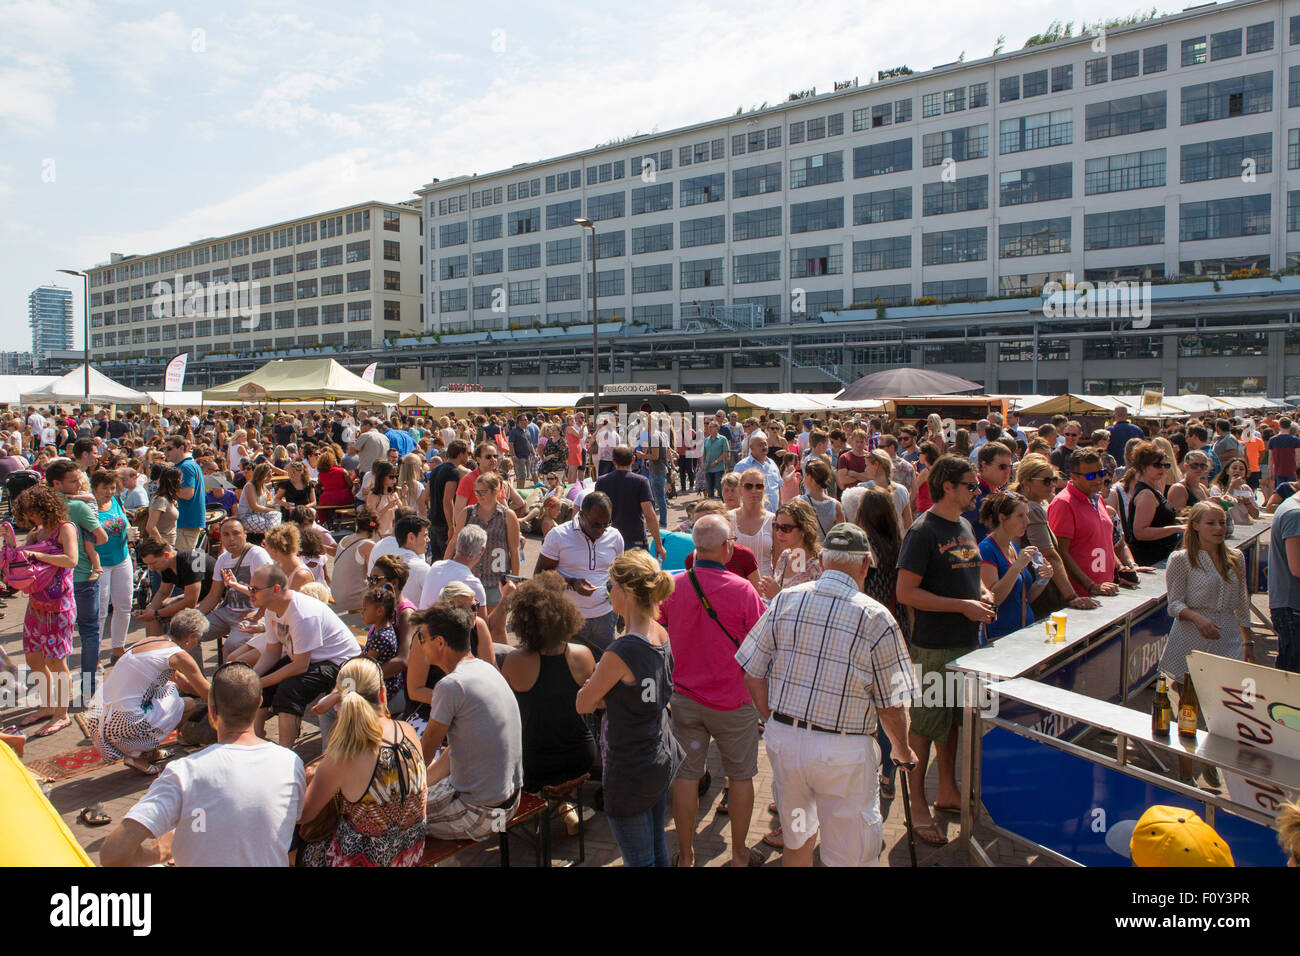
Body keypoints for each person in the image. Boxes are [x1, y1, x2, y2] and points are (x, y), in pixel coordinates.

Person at [738, 522, 919, 866]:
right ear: (866, 564)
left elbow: (752, 670)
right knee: (849, 857)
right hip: (844, 757)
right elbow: (892, 704)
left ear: (820, 560)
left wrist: (773, 721)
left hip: (788, 749)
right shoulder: (877, 617)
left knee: (797, 840)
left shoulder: (786, 600)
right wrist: (902, 749)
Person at [100, 662, 306, 867]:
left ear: (212, 712)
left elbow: (113, 854)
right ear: (259, 702)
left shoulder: (184, 772)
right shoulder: (290, 762)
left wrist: (158, 853)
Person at [896, 455, 996, 847]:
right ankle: (916, 804)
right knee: (923, 728)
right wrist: (962, 606)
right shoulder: (923, 531)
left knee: (953, 723)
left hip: (965, 643)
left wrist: (982, 594)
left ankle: (948, 790)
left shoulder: (966, 525)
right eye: (971, 485)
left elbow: (968, 577)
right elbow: (906, 593)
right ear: (948, 487)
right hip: (934, 647)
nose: (977, 491)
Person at [660, 514, 767, 867]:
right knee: (740, 777)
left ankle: (687, 857)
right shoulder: (743, 590)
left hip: (686, 699)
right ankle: (738, 856)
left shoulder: (674, 586)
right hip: (733, 702)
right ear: (726, 547)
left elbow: (659, 632)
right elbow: (762, 644)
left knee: (688, 777)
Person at [576, 550, 683, 867]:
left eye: (610, 585)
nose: (607, 592)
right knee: (657, 848)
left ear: (625, 591)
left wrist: (597, 688)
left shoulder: (621, 649)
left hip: (629, 766)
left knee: (639, 859)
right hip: (658, 755)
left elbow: (583, 703)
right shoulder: (659, 632)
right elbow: (645, 691)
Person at [298, 656, 427, 867]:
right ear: (383, 694)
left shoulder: (344, 754)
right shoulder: (408, 731)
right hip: (411, 852)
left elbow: (302, 815)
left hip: (366, 860)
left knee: (302, 844)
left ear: (342, 702)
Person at [416, 602, 524, 840]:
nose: (420, 644)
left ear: (440, 642)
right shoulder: (486, 670)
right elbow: (457, 749)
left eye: (421, 637)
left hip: (483, 814)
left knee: (388, 820)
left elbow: (425, 751)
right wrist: (421, 784)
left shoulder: (451, 685)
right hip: (509, 801)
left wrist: (405, 793)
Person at [501, 572, 598, 797]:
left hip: (534, 763)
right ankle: (567, 804)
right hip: (580, 757)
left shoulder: (515, 662)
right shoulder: (583, 655)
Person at [83, 608, 209, 775]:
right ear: (190, 638)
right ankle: (139, 754)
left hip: (98, 714)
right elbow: (206, 692)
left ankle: (145, 750)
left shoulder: (149, 641)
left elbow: (181, 681)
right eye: (197, 639)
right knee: (187, 704)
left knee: (169, 689)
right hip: (122, 722)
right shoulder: (178, 655)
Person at [248, 565, 362, 747]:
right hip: (311, 657)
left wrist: (259, 681)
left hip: (340, 661)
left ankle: (286, 751)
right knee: (261, 680)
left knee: (289, 690)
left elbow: (300, 666)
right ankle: (257, 737)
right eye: (250, 588)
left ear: (276, 589)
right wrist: (252, 678)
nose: (250, 593)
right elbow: (272, 652)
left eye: (255, 589)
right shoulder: (271, 608)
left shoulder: (302, 613)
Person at [6, 486, 78, 738]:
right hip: (36, 604)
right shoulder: (37, 532)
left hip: (58, 606)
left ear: (44, 507)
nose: (30, 518)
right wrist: (10, 543)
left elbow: (71, 560)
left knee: (56, 661)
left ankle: (62, 714)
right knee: (34, 658)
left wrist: (38, 554)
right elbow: (20, 560)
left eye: (32, 512)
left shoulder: (65, 528)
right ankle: (48, 706)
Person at [535, 491, 625, 657]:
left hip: (605, 618)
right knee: (569, 671)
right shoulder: (558, 536)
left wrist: (622, 612)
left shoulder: (615, 536)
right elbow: (540, 575)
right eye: (596, 525)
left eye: (606, 524)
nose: (601, 530)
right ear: (581, 515)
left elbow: (619, 575)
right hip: (568, 620)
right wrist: (571, 582)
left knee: (602, 671)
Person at [46, 459, 107, 699]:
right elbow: (101, 537)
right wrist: (88, 541)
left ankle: (56, 696)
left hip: (52, 578)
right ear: (56, 483)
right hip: (81, 576)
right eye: (72, 481)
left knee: (58, 635)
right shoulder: (78, 507)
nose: (77, 485)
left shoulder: (44, 506)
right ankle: (88, 689)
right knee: (90, 631)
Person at [1010, 455, 1097, 617]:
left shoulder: (1036, 504)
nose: (1052, 485)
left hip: (1029, 587)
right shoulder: (1032, 508)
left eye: (1054, 480)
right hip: (1039, 593)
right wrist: (1071, 596)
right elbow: (1049, 555)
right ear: (1026, 482)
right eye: (1046, 481)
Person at [1048, 448, 1121, 600]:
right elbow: (1061, 553)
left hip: (1104, 591)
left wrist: (1120, 568)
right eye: (1090, 476)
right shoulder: (1063, 503)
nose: (1098, 480)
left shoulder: (1097, 498)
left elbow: (1104, 542)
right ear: (1073, 476)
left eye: (1101, 473)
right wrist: (1090, 585)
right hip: (1081, 598)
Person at [195, 518, 273, 656]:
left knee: (232, 646)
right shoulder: (223, 559)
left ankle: (229, 677)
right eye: (226, 534)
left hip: (255, 612)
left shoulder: (257, 554)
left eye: (236, 533)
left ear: (245, 534)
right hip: (228, 611)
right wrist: (193, 616)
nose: (231, 539)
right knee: (188, 632)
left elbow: (269, 593)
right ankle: (195, 677)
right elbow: (213, 596)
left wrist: (257, 615)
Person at [978, 492, 1048, 640]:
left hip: (1022, 634)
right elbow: (993, 601)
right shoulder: (986, 550)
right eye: (1021, 516)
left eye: (1027, 515)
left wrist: (1043, 580)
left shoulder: (1014, 548)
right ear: (1003, 518)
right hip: (999, 639)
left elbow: (1023, 597)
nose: (1027, 521)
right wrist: (1016, 567)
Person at [90, 468, 133, 664]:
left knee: (124, 605)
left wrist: (132, 534)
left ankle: (118, 648)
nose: (109, 492)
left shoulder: (116, 501)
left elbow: (124, 524)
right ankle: (94, 653)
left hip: (122, 558)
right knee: (99, 611)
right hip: (100, 563)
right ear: (94, 489)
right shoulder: (88, 507)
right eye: (104, 488)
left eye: (112, 487)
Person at [135, 537, 216, 638]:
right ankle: (155, 651)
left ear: (166, 555)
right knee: (152, 614)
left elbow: (190, 602)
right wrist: (149, 611)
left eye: (153, 563)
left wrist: (156, 613)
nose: (151, 568)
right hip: (198, 597)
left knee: (185, 625)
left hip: (216, 599)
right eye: (148, 564)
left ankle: (183, 653)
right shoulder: (166, 564)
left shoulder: (193, 561)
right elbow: (163, 593)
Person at [595, 445, 665, 559]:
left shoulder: (601, 482)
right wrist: (659, 544)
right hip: (635, 538)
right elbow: (650, 515)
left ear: (613, 461)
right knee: (640, 575)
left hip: (609, 539)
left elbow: (597, 513)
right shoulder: (641, 481)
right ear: (633, 459)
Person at [1121, 441, 1184, 566]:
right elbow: (1140, 533)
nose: (1162, 469)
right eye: (1157, 465)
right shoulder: (1146, 494)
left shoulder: (1152, 489)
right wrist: (1176, 528)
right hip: (1150, 559)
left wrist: (1180, 520)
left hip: (1159, 556)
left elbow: (1158, 520)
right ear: (1144, 467)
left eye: (1165, 465)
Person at [760, 499, 823, 600]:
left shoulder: (816, 567)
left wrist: (778, 594)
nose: (779, 532)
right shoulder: (785, 555)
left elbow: (812, 606)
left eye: (786, 528)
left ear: (804, 529)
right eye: (776, 526)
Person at [1268, 478, 1300, 674]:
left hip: (1291, 608)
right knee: (1292, 683)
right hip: (1292, 611)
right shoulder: (1295, 513)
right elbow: (1297, 567)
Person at [420, 524, 489, 609]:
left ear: (457, 545)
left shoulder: (435, 566)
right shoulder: (474, 584)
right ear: (482, 550)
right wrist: (504, 599)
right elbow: (484, 622)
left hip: (424, 620)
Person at [427, 439, 469, 559]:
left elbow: (427, 496)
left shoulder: (436, 469)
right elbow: (448, 500)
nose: (468, 457)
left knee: (436, 559)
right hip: (443, 523)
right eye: (467, 453)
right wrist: (451, 526)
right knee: (447, 559)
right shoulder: (453, 472)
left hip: (433, 520)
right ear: (460, 454)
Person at [163, 436, 206, 552]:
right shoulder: (187, 465)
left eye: (169, 448)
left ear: (181, 448)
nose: (166, 452)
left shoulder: (185, 467)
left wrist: (165, 489)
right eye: (164, 448)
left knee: (183, 563)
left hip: (186, 523)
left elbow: (187, 493)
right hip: (186, 522)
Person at [732, 467, 776, 578]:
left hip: (765, 588)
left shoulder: (773, 520)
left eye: (759, 486)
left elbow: (778, 562)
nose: (754, 491)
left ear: (764, 489)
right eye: (748, 486)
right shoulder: (728, 518)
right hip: (736, 585)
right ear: (740, 490)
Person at [733, 431, 782, 514]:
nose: (764, 447)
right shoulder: (742, 466)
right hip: (752, 516)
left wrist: (780, 506)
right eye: (760, 445)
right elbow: (735, 490)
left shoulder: (772, 464)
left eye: (765, 444)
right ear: (751, 448)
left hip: (773, 515)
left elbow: (779, 487)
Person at [864, 449, 913, 532]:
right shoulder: (902, 490)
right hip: (898, 541)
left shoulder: (864, 489)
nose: (865, 469)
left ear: (876, 465)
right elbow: (908, 524)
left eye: (867, 465)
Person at [800, 458, 843, 539]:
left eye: (805, 475)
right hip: (829, 550)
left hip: (805, 550)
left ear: (811, 478)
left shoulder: (798, 502)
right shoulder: (836, 506)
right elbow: (840, 537)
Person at [1211, 458, 1260, 526]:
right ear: (1227, 471)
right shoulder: (1217, 488)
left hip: (1245, 526)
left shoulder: (1246, 489)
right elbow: (1221, 508)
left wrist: (1247, 502)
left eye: (1241, 469)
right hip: (1227, 527)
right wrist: (1231, 487)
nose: (1238, 471)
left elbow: (1255, 515)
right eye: (1234, 468)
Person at [1168, 449, 1213, 514]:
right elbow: (1180, 516)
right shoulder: (1179, 488)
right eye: (1195, 465)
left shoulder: (1203, 487)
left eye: (1203, 466)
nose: (1199, 468)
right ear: (1186, 466)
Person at [701, 419, 730, 498]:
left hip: (718, 468)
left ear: (717, 428)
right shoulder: (706, 440)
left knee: (719, 487)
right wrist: (703, 463)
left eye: (711, 427)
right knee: (709, 488)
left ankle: (723, 505)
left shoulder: (723, 439)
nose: (709, 428)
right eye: (709, 427)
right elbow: (703, 453)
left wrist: (716, 462)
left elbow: (725, 452)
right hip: (708, 468)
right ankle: (711, 506)